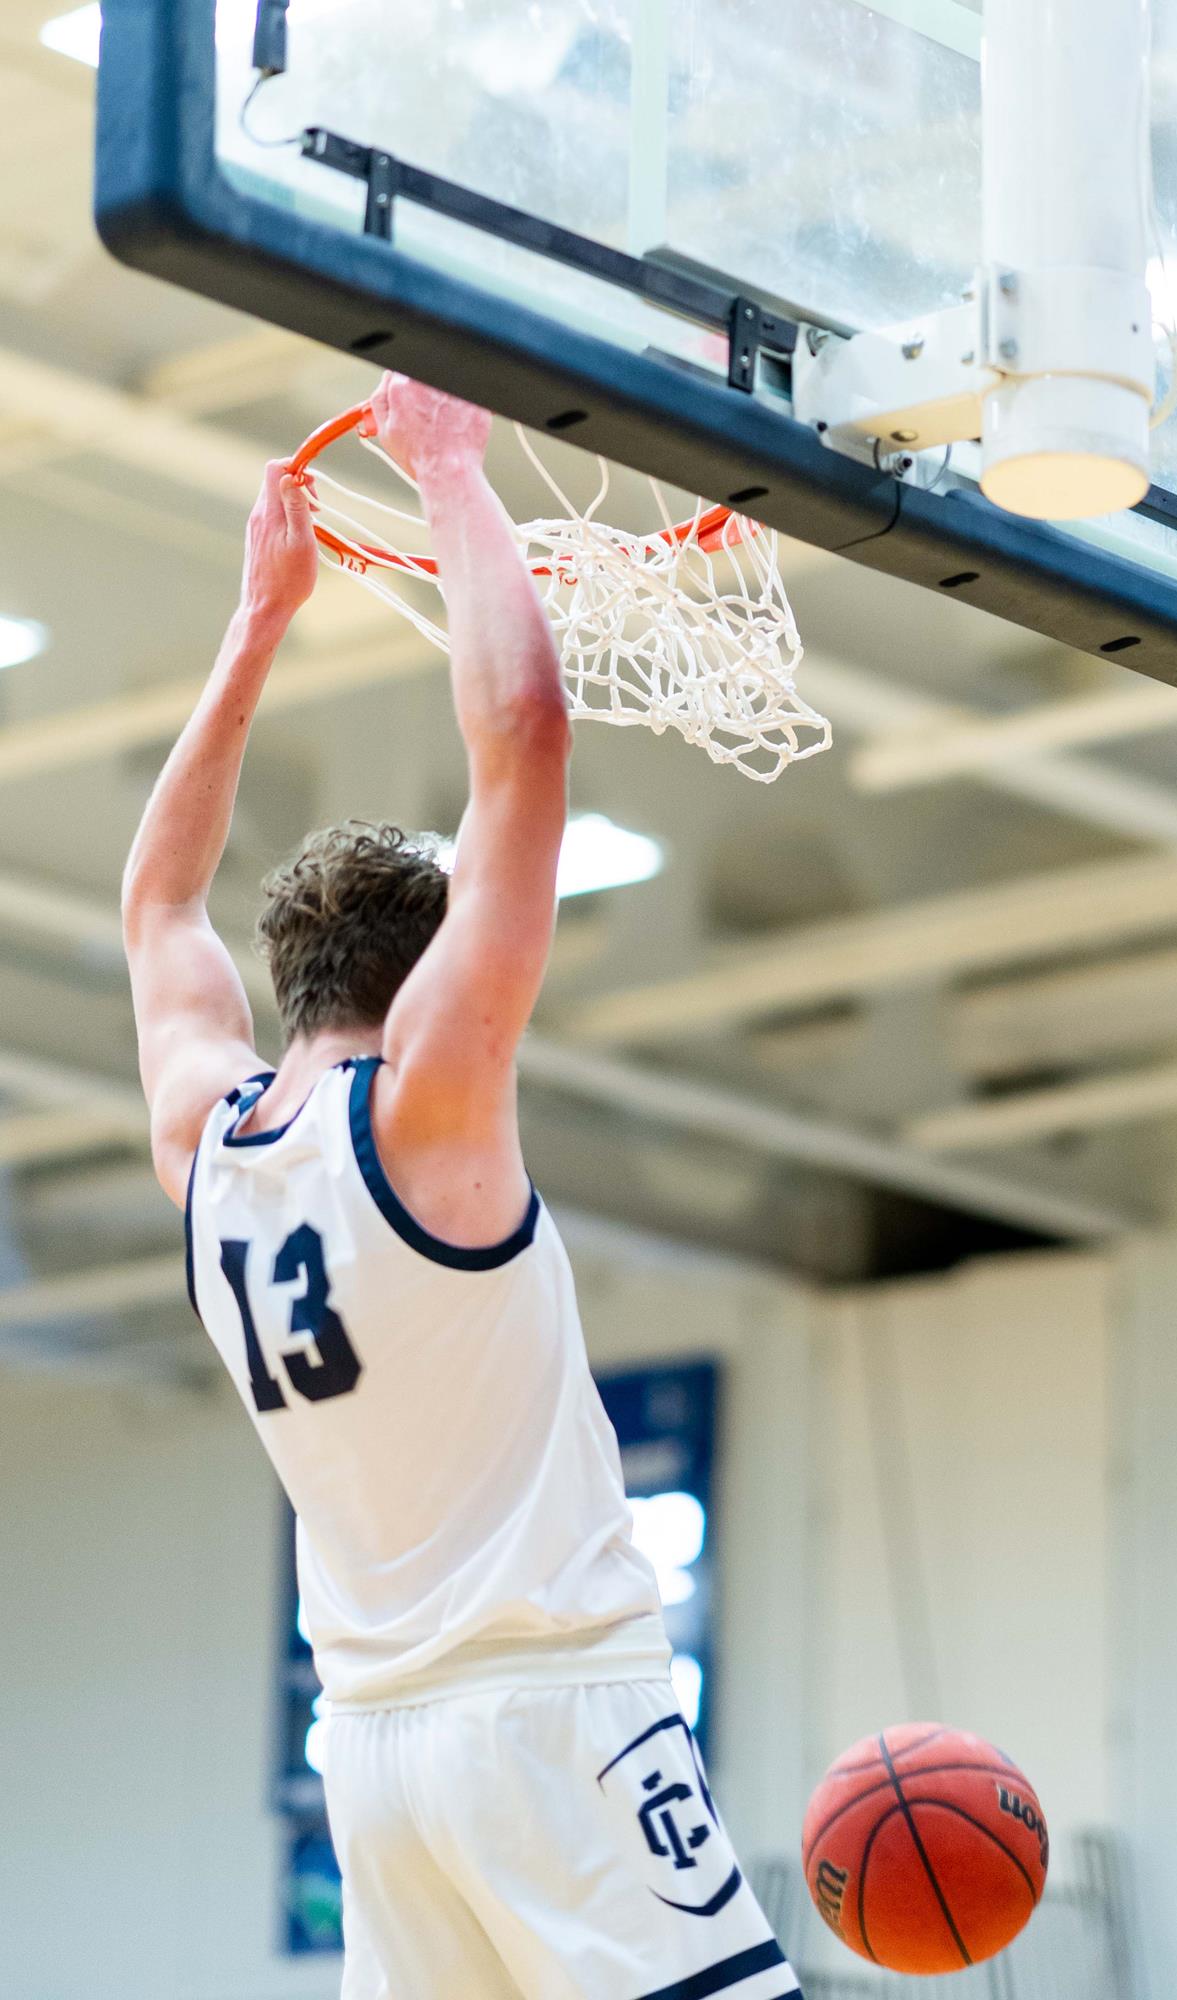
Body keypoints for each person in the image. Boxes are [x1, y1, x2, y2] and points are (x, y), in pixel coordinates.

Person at [121, 373, 799, 2000]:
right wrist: (448, 472)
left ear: (287, 981)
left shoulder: (204, 1147)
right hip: (555, 1722)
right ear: (435, 979)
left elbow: (158, 909)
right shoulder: (429, 1110)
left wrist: (257, 625)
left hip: (371, 1754)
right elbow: (527, 744)